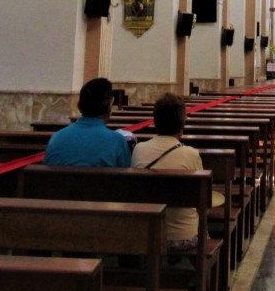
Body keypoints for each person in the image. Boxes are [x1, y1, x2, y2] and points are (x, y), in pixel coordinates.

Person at [131, 93, 204, 251]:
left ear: (155, 121)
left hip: (148, 233)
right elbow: (203, 199)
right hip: (183, 236)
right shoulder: (191, 154)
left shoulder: (139, 150)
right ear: (182, 123)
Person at [43, 77, 131, 167]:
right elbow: (124, 174)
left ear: (79, 106)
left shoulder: (57, 138)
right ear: (109, 107)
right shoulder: (117, 141)